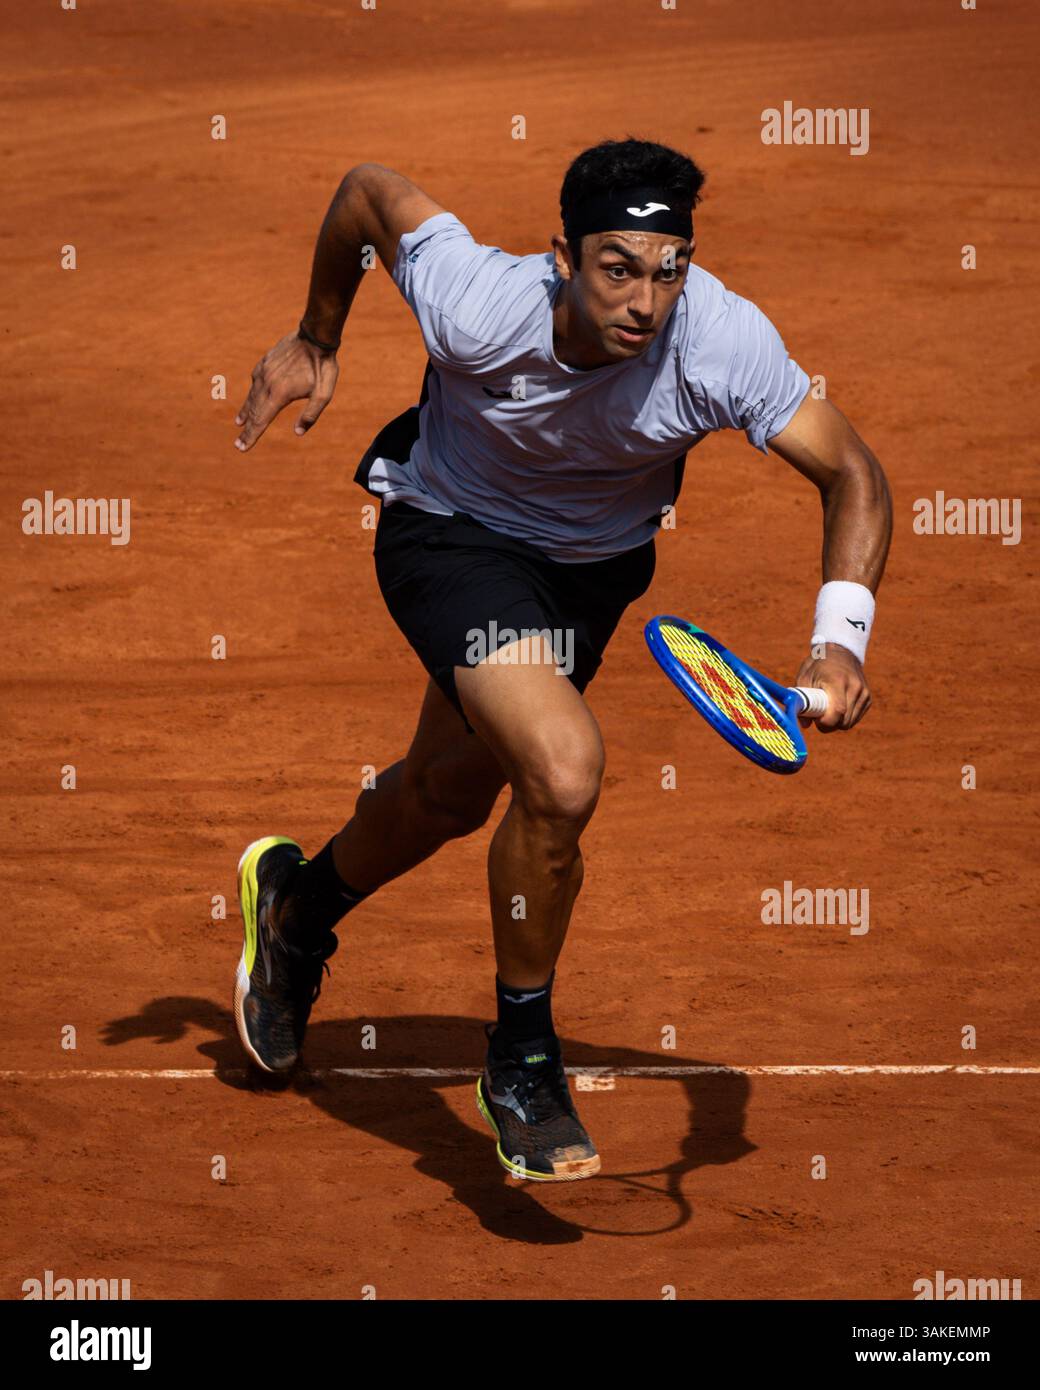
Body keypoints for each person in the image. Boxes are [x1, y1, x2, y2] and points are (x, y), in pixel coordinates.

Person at [231, 138, 891, 1182]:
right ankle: (522, 1056)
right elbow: (363, 194)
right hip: (450, 535)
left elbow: (850, 469)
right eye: (615, 265)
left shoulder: (719, 341)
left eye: (666, 267)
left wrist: (838, 639)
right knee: (562, 767)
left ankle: (294, 911)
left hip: (588, 578)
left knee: (448, 796)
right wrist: (319, 334)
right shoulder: (478, 301)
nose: (643, 297)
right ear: (562, 256)